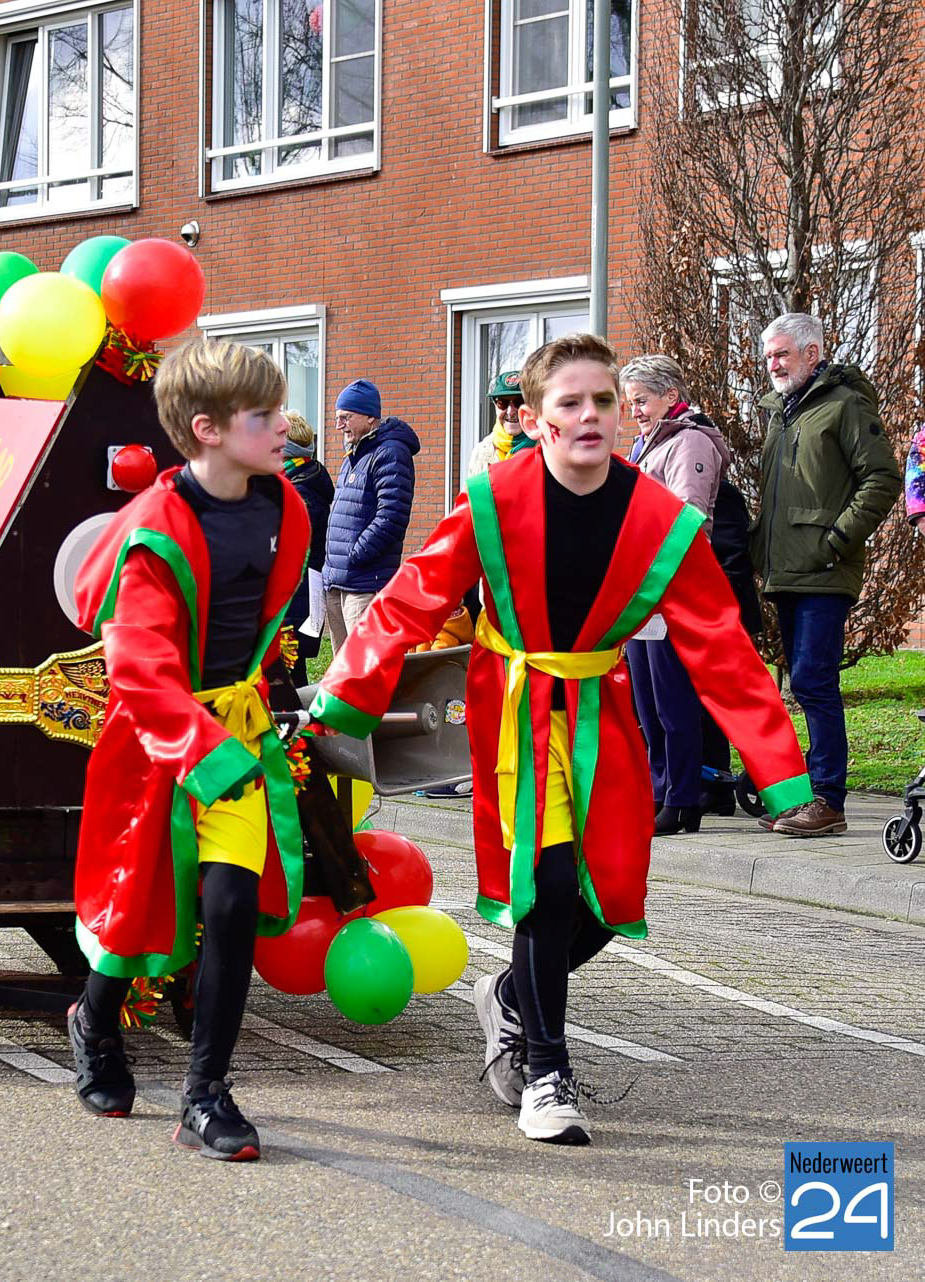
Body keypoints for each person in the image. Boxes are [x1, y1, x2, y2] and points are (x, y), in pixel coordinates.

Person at [311, 334, 813, 1145]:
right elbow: (410, 600)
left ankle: (510, 996)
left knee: (611, 896)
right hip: (518, 711)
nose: (589, 416)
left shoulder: (662, 519)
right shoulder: (491, 499)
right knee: (544, 882)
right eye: (570, 402)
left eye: (603, 400)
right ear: (538, 419)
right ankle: (546, 1070)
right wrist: (347, 694)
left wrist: (782, 773)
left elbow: (721, 648)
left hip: (602, 710)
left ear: (620, 413)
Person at [67, 338, 312, 1162]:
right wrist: (204, 754)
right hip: (157, 743)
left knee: (230, 909)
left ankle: (206, 1094)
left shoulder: (283, 505)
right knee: (135, 910)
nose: (284, 427)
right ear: (207, 429)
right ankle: (94, 1018)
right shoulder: (156, 530)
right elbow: (138, 666)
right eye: (264, 416)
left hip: (235, 733)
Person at [752, 312, 901, 837]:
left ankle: (828, 800)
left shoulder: (845, 404)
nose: (772, 364)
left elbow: (882, 478)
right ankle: (805, 797)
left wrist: (836, 540)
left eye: (782, 354)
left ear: (812, 353)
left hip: (823, 569)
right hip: (785, 571)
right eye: (768, 356)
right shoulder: (782, 412)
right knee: (803, 683)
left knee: (815, 681)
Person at [619, 355, 732, 835]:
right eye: (631, 403)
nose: (635, 411)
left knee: (672, 701)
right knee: (646, 703)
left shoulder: (689, 441)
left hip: (668, 590)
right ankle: (659, 789)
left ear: (670, 395)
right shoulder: (646, 442)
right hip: (639, 590)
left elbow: (690, 516)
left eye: (642, 400)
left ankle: (683, 798)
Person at [322, 379, 419, 652]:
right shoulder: (353, 456)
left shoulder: (390, 453)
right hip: (339, 582)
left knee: (366, 666)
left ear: (369, 416)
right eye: (337, 418)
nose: (339, 425)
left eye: (346, 417)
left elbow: (392, 517)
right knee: (342, 670)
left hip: (364, 585)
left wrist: (355, 555)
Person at [280, 410, 332, 689]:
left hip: (296, 591)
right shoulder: (302, 481)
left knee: (289, 667)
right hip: (300, 590)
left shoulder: (300, 492)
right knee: (291, 669)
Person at [466, 370, 535, 478]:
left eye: (519, 402)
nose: (510, 412)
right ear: (495, 406)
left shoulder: (547, 449)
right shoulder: (480, 453)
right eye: (502, 403)